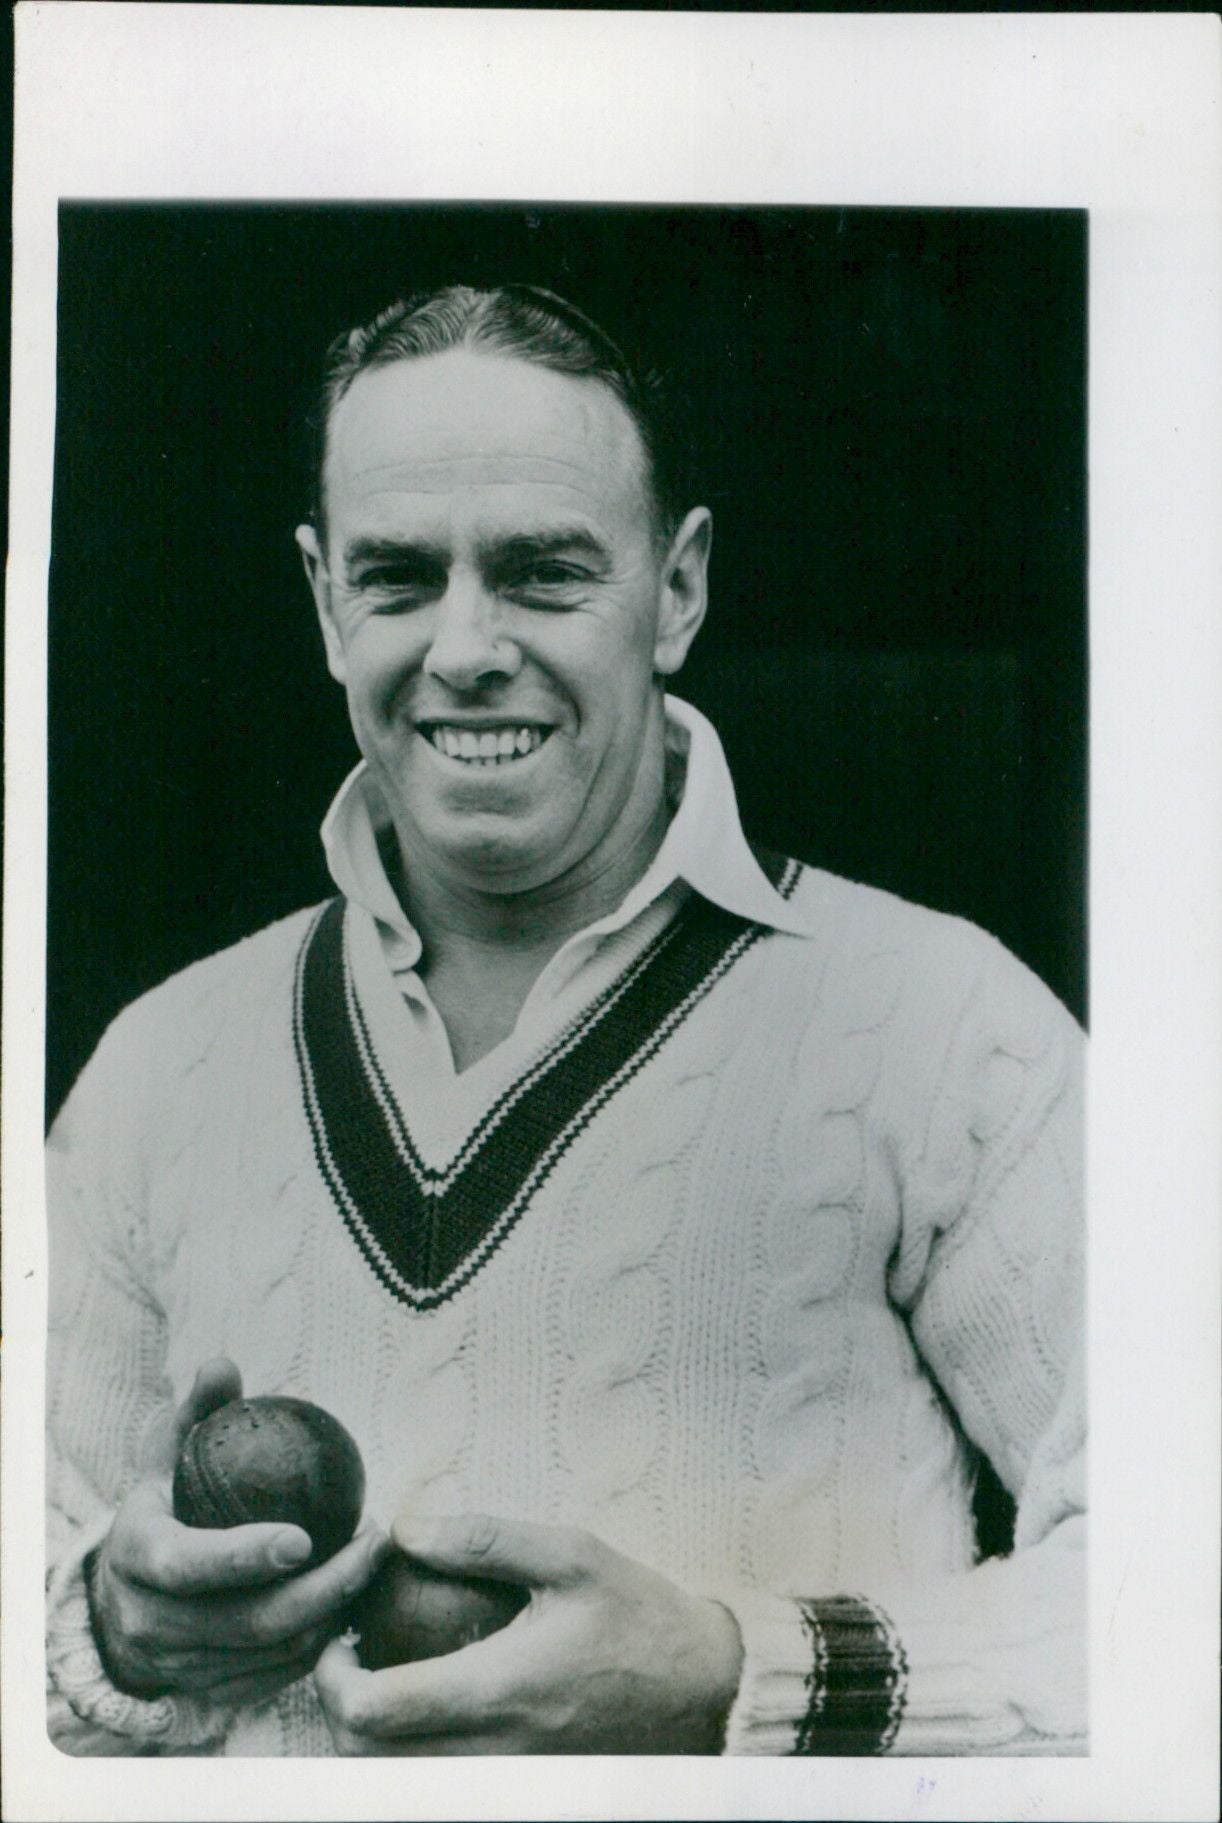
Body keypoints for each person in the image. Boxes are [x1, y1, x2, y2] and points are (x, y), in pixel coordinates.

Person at [45, 283, 1085, 1757]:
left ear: (678, 590)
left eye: (542, 573)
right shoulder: (161, 1064)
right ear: (322, 598)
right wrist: (107, 1626)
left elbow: (1178, 1587)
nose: (466, 647)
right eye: (399, 577)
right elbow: (24, 1611)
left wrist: (738, 1674)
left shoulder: (938, 1023)